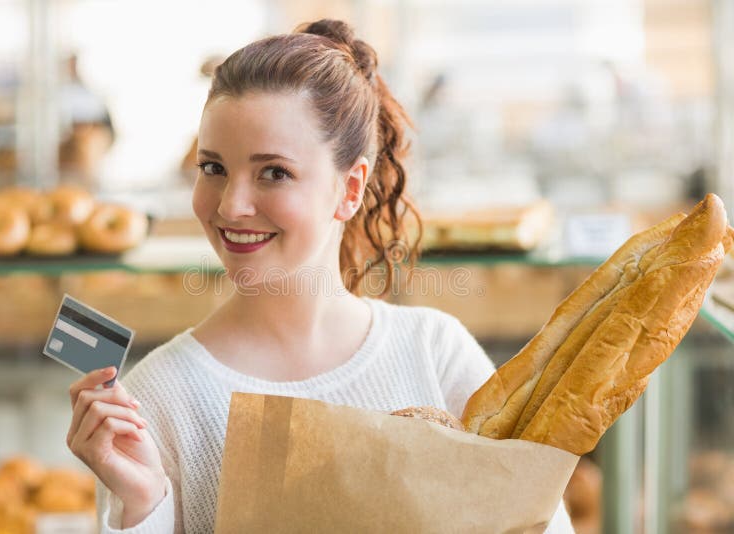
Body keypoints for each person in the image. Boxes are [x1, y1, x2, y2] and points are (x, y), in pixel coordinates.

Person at [65, 19, 576, 533]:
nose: (231, 205)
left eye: (274, 172)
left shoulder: (434, 354)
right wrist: (141, 507)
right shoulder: (157, 399)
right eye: (213, 167)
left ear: (350, 188)